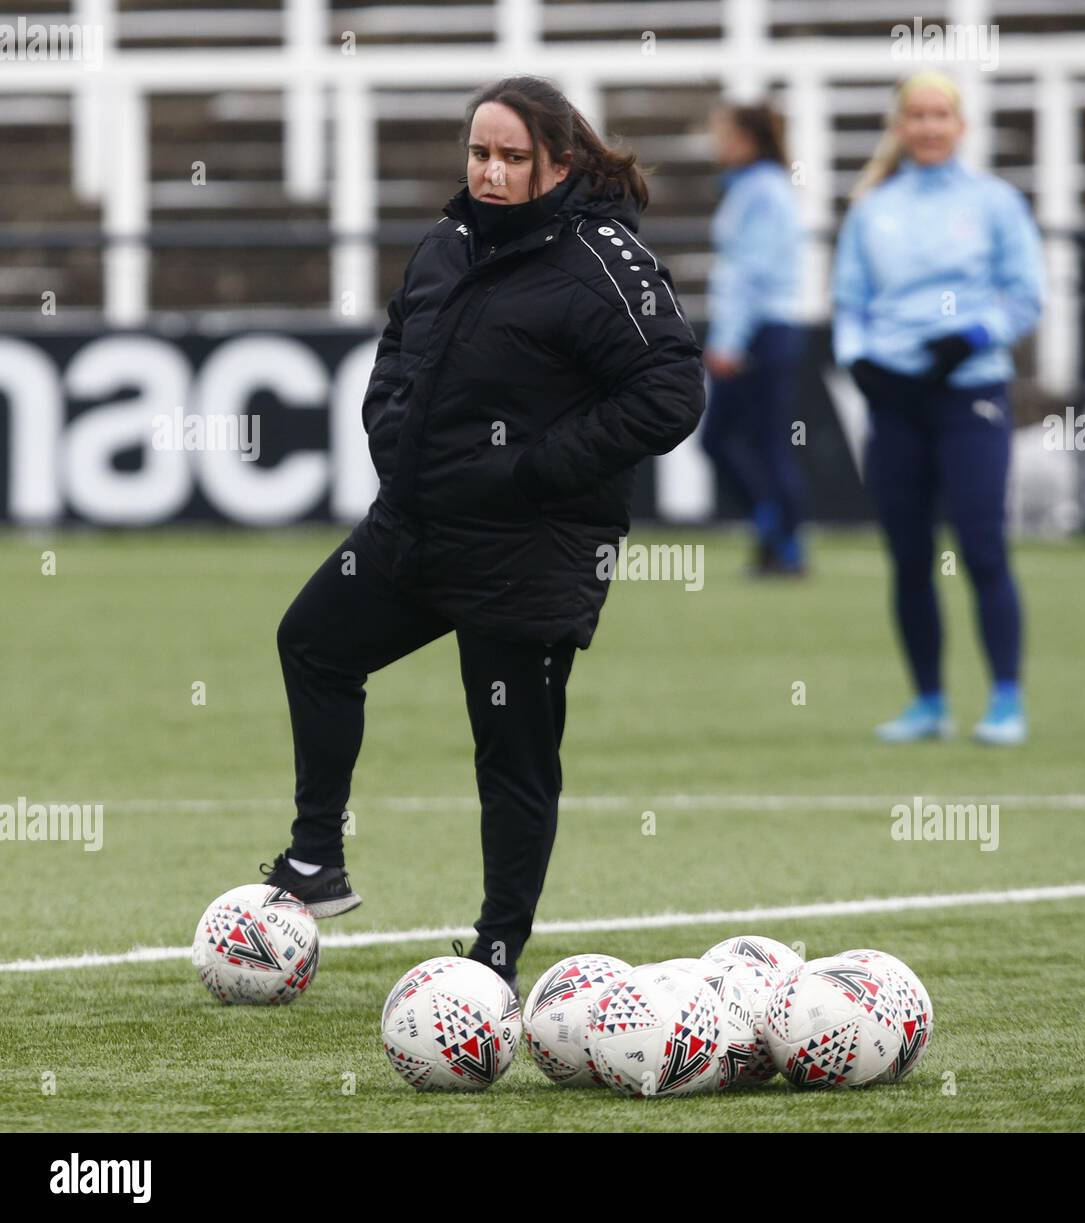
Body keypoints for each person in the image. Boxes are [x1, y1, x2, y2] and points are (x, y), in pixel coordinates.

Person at [261, 76, 706, 998]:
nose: (491, 172)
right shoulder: (448, 239)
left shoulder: (603, 259)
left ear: (560, 163)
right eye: (478, 153)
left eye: (511, 157)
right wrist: (387, 428)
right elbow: (396, 345)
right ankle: (315, 860)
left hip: (529, 551)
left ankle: (496, 954)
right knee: (312, 640)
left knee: (511, 756)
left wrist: (534, 470)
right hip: (416, 528)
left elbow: (671, 394)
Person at [833, 71, 1043, 745]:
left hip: (970, 391)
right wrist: (861, 362)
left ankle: (1006, 699)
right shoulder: (872, 209)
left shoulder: (995, 204)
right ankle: (928, 701)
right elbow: (851, 303)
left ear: (961, 125)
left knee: (981, 543)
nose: (927, 127)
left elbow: (1025, 295)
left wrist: (973, 337)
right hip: (896, 398)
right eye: (916, 116)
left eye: (940, 115)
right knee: (909, 552)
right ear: (899, 127)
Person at [700, 101, 808, 575]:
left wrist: (728, 341)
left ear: (746, 139)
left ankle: (782, 540)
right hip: (763, 331)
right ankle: (775, 536)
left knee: (741, 441)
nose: (715, 144)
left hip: (758, 333)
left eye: (722, 134)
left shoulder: (760, 193)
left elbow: (751, 273)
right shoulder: (756, 189)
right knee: (754, 442)